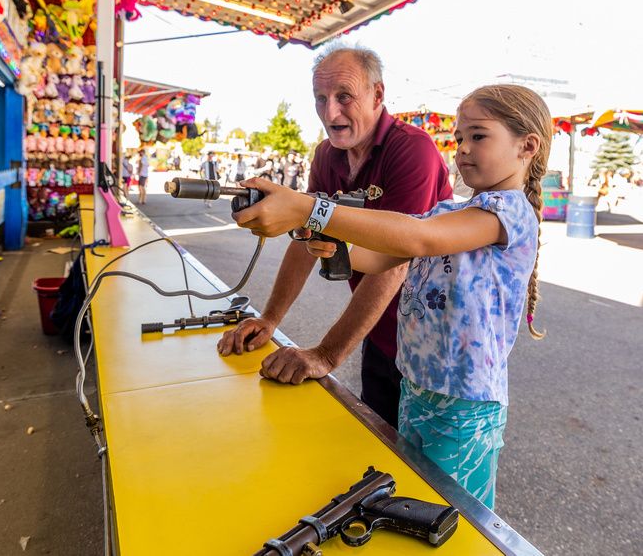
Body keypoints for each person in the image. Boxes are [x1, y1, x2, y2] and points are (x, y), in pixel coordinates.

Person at [233, 84, 551, 509]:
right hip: (417, 388)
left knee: (451, 522)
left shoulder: (507, 212)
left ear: (526, 146)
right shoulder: (453, 212)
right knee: (415, 503)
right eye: (458, 138)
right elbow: (382, 256)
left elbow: (416, 238)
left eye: (478, 136)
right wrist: (334, 243)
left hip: (464, 405)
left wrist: (313, 210)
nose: (462, 149)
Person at [217, 45, 450, 428]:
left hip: (430, 338)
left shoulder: (413, 150)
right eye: (320, 99)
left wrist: (326, 355)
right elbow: (307, 236)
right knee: (379, 439)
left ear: (378, 95)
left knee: (428, 469)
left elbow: (394, 264)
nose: (330, 112)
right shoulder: (326, 155)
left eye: (344, 96)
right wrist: (270, 318)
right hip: (378, 332)